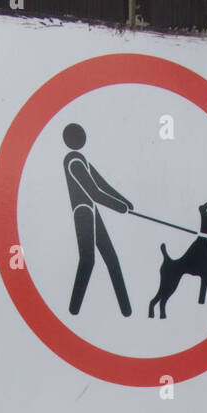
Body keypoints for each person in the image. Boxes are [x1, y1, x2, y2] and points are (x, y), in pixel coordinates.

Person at [62, 123, 133, 316]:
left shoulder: (81, 160)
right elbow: (93, 192)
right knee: (88, 260)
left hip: (92, 211)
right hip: (83, 211)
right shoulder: (73, 161)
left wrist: (124, 201)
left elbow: (102, 184)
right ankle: (73, 310)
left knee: (111, 258)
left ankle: (126, 310)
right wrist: (119, 207)